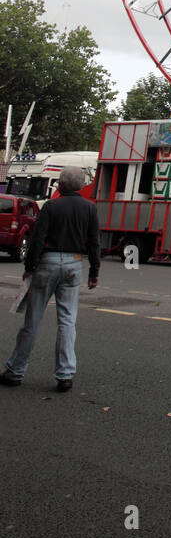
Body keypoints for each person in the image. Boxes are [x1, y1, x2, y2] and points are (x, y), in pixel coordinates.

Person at [1, 166, 100, 392]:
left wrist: (29, 266)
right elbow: (94, 241)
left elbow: (38, 238)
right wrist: (94, 272)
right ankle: (65, 373)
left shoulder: (51, 207)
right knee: (67, 320)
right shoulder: (90, 208)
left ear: (61, 185)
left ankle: (16, 371)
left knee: (32, 320)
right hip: (74, 263)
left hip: (49, 262)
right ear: (81, 186)